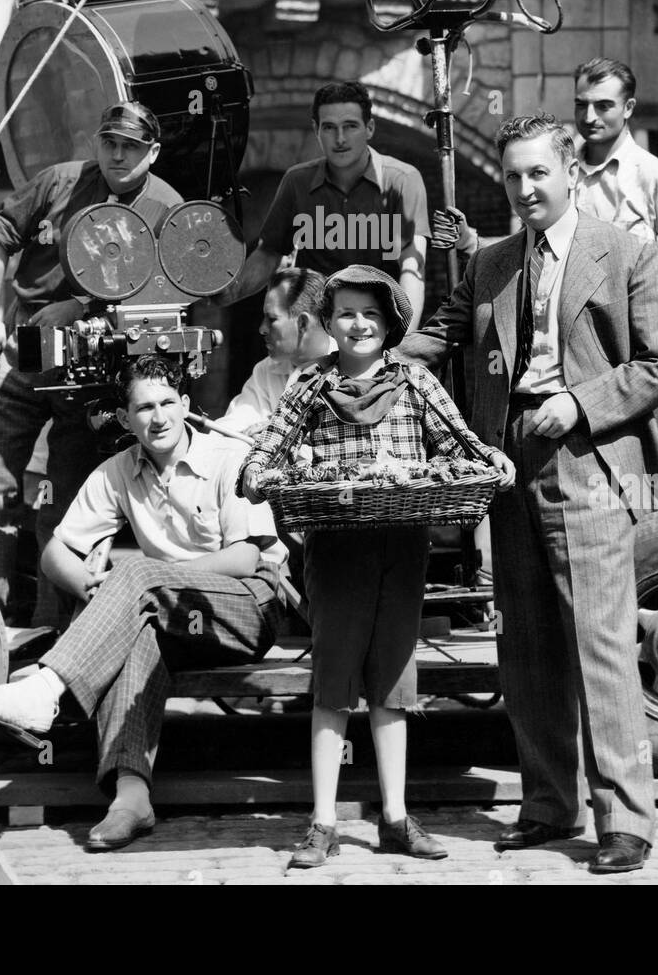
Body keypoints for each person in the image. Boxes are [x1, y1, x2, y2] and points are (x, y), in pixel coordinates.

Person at [398, 114, 658, 875]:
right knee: (524, 645)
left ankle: (624, 822)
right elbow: (445, 332)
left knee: (598, 645)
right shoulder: (492, 262)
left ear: (570, 174)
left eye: (537, 174)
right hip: (506, 457)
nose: (524, 189)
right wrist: (369, 357)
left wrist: (581, 403)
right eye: (513, 176)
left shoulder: (626, 253)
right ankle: (549, 805)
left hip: (586, 458)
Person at [240, 265, 514, 869]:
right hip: (335, 550)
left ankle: (395, 817)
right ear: (327, 323)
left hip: (402, 544)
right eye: (345, 313)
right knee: (333, 683)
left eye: (370, 313)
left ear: (390, 322)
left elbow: (458, 442)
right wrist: (255, 471)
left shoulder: (415, 380)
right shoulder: (311, 383)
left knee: (394, 683)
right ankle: (323, 822)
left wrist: (490, 459)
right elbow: (272, 443)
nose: (358, 324)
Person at [0, 355, 283, 850]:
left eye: (168, 403)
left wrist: (147, 580)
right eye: (144, 408)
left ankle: (44, 689)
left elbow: (243, 558)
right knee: (134, 635)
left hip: (246, 606)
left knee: (135, 575)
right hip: (170, 615)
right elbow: (55, 553)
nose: (159, 417)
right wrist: (93, 588)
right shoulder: (118, 471)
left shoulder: (228, 457)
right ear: (126, 419)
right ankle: (131, 798)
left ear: (186, 405)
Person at [0, 102, 182, 631]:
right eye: (110, 142)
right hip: (23, 353)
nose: (118, 155)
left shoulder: (167, 208)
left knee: (67, 506)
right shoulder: (59, 182)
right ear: (97, 143)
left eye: (131, 147)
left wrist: (84, 306)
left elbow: (171, 299)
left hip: (94, 376)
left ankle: (54, 634)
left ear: (153, 152)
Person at [218, 82, 429, 327]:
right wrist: (231, 291)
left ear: (369, 128)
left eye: (350, 126)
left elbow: (413, 267)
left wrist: (403, 340)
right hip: (317, 328)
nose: (340, 139)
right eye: (329, 127)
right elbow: (269, 253)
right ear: (316, 130)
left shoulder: (402, 180)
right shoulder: (296, 181)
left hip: (377, 327)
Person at [572, 57, 658, 305]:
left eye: (603, 106)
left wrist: (650, 320)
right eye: (581, 105)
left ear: (628, 108)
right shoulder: (561, 174)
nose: (589, 117)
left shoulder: (655, 175)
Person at [219, 268, 334, 435]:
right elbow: (231, 427)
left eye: (272, 319)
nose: (262, 329)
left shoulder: (353, 366)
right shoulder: (266, 370)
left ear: (302, 323)